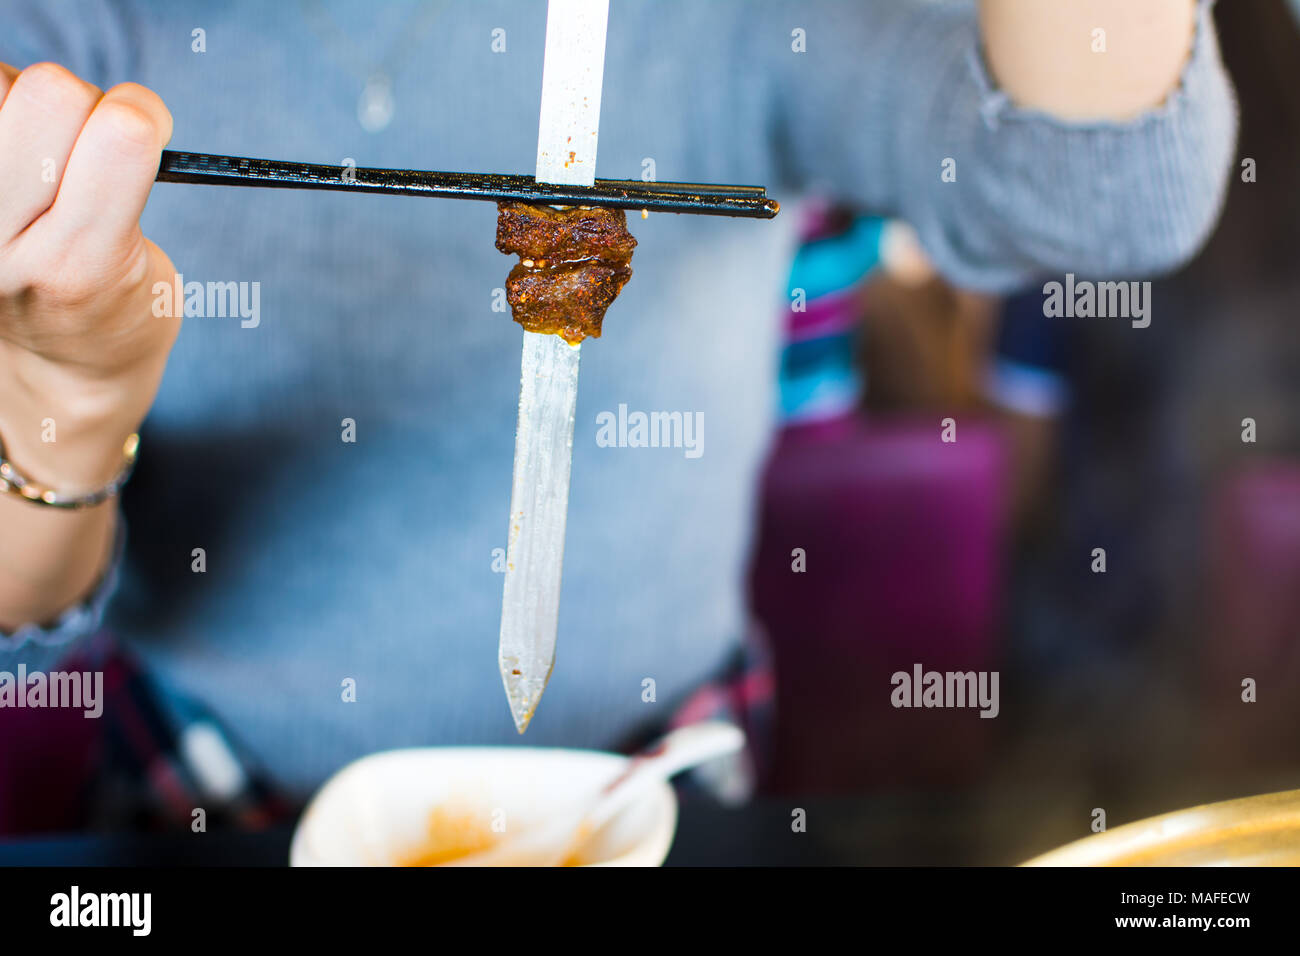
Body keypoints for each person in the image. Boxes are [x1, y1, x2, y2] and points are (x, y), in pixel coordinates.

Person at [0, 0, 1237, 807]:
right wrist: (66, 393)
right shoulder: (83, 27)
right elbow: (18, 631)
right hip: (207, 793)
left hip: (660, 779)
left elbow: (1097, 198)